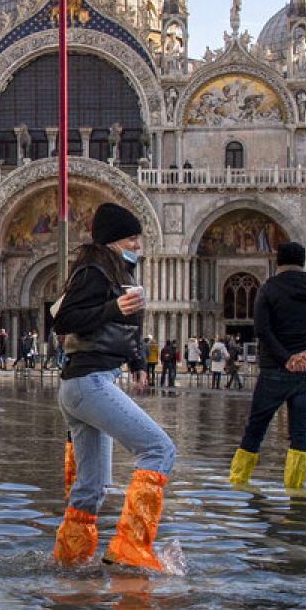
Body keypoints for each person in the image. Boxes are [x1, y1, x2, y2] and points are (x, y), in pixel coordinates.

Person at [50, 203, 174, 571]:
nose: (139, 244)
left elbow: (119, 331)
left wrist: (136, 363)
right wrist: (114, 309)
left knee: (92, 486)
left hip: (81, 384)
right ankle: (132, 546)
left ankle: (70, 559)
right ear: (113, 240)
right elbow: (64, 319)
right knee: (158, 449)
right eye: (132, 237)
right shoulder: (93, 270)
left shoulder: (114, 273)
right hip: (90, 382)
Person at [228, 242, 306, 489]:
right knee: (300, 434)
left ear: (278, 262)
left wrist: (285, 358)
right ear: (303, 262)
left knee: (255, 429)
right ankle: (294, 489)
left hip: (274, 372)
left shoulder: (269, 289)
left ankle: (238, 483)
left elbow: (262, 330)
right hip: (305, 375)